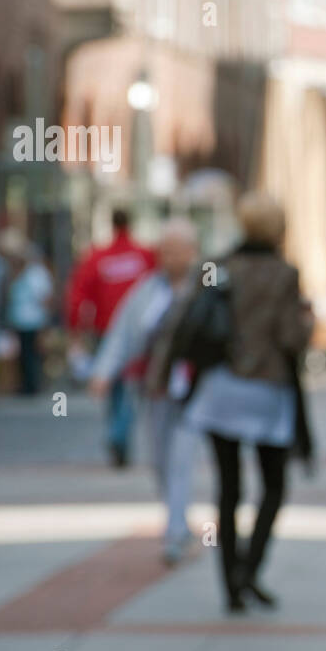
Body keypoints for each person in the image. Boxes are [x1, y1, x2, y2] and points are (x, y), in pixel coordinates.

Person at [179, 193, 312, 613]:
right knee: (273, 485)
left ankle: (230, 582)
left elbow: (189, 322)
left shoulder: (215, 268)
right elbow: (291, 338)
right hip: (266, 389)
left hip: (222, 387)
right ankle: (250, 568)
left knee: (228, 488)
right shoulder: (284, 274)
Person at [91, 219, 202, 565]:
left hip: (195, 391)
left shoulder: (205, 288)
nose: (167, 257)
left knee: (182, 459)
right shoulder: (148, 290)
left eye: (175, 250)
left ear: (192, 252)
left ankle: (174, 531)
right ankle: (176, 520)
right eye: (163, 250)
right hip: (155, 387)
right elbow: (123, 332)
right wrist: (104, 371)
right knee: (160, 460)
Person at [67, 209, 156, 466]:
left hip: (105, 330)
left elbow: (78, 294)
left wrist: (75, 328)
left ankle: (117, 432)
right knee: (130, 384)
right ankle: (120, 434)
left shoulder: (97, 257)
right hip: (140, 332)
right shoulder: (145, 256)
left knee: (112, 384)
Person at [0, 230, 54, 396]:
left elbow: (45, 299)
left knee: (31, 355)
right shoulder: (15, 274)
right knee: (22, 354)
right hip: (19, 321)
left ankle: (32, 385)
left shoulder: (37, 274)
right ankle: (24, 384)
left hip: (33, 321)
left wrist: (45, 322)